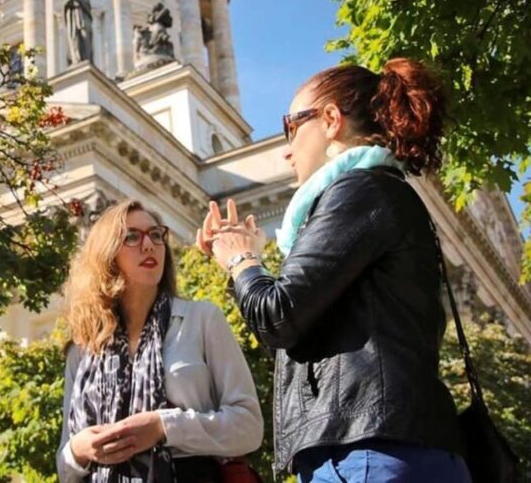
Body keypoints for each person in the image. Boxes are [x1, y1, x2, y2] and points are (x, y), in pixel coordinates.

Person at [197, 58, 471, 482]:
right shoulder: (374, 193)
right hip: (381, 445)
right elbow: (302, 341)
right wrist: (246, 261)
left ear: (330, 120)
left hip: (366, 451)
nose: (286, 149)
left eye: (291, 126)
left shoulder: (358, 191)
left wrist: (241, 260)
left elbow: (279, 317)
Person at [57, 200, 263, 482]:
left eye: (156, 234)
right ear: (106, 255)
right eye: (131, 236)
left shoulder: (201, 319)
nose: (149, 244)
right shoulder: (83, 349)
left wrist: (163, 426)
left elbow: (249, 427)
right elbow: (64, 466)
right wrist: (78, 450)